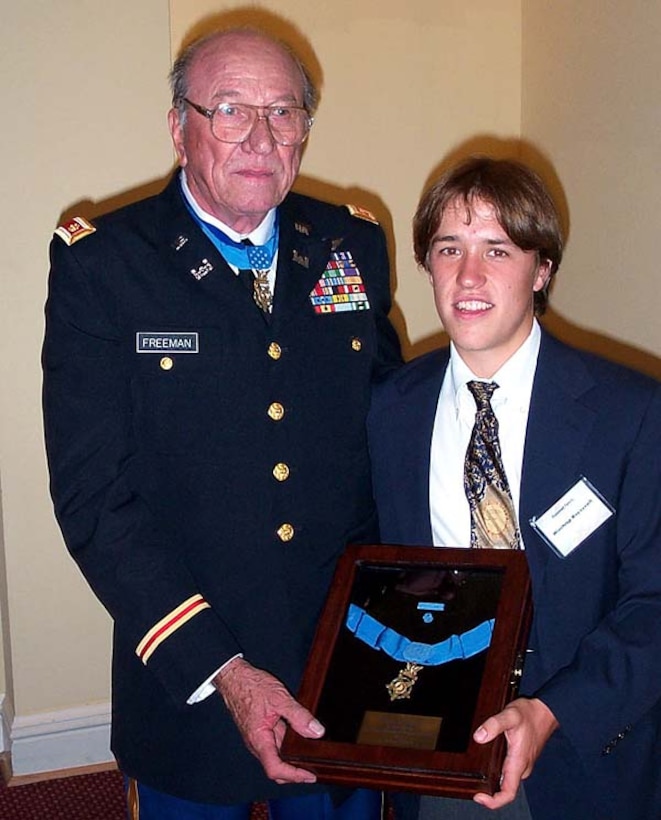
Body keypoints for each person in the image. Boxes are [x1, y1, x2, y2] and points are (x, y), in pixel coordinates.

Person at [42, 25, 401, 820]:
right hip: (191, 672)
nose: (261, 138)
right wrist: (226, 671)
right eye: (230, 110)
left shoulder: (351, 244)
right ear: (179, 126)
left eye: (284, 112)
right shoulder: (105, 266)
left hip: (336, 663)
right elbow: (95, 502)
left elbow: (388, 435)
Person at [367, 157, 661, 820]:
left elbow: (654, 602)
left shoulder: (631, 414)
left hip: (586, 748)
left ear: (542, 268)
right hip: (437, 750)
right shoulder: (390, 409)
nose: (468, 277)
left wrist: (551, 712)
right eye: (449, 248)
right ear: (427, 265)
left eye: (496, 249)